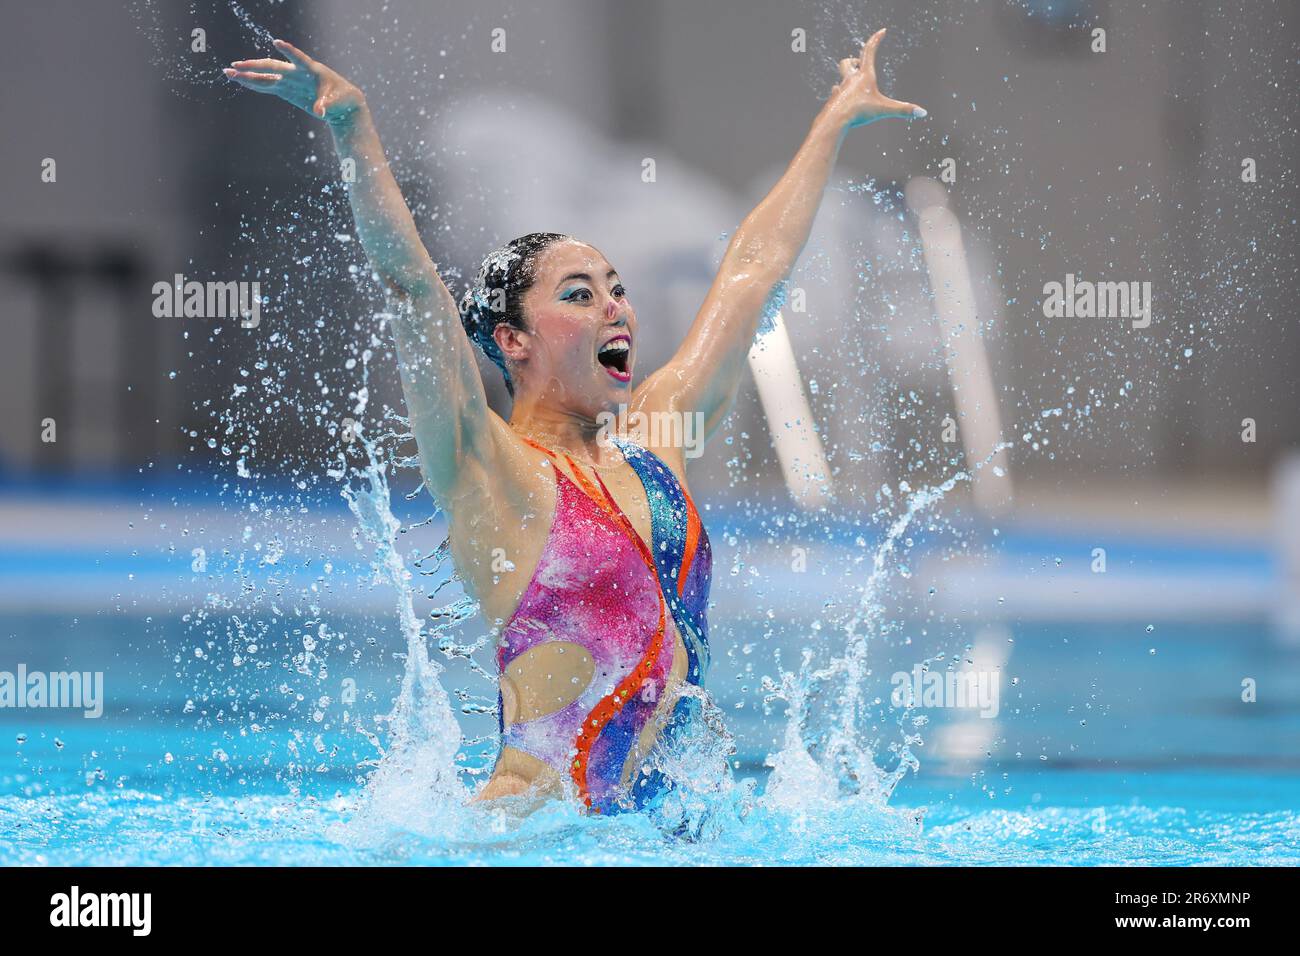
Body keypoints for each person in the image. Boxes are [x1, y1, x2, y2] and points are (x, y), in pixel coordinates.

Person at [224, 30, 922, 813]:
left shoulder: (658, 434)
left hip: (654, 829)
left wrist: (832, 123)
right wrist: (352, 126)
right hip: (528, 833)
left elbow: (752, 271)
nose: (615, 307)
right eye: (580, 294)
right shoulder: (489, 466)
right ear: (513, 341)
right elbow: (413, 288)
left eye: (615, 289)